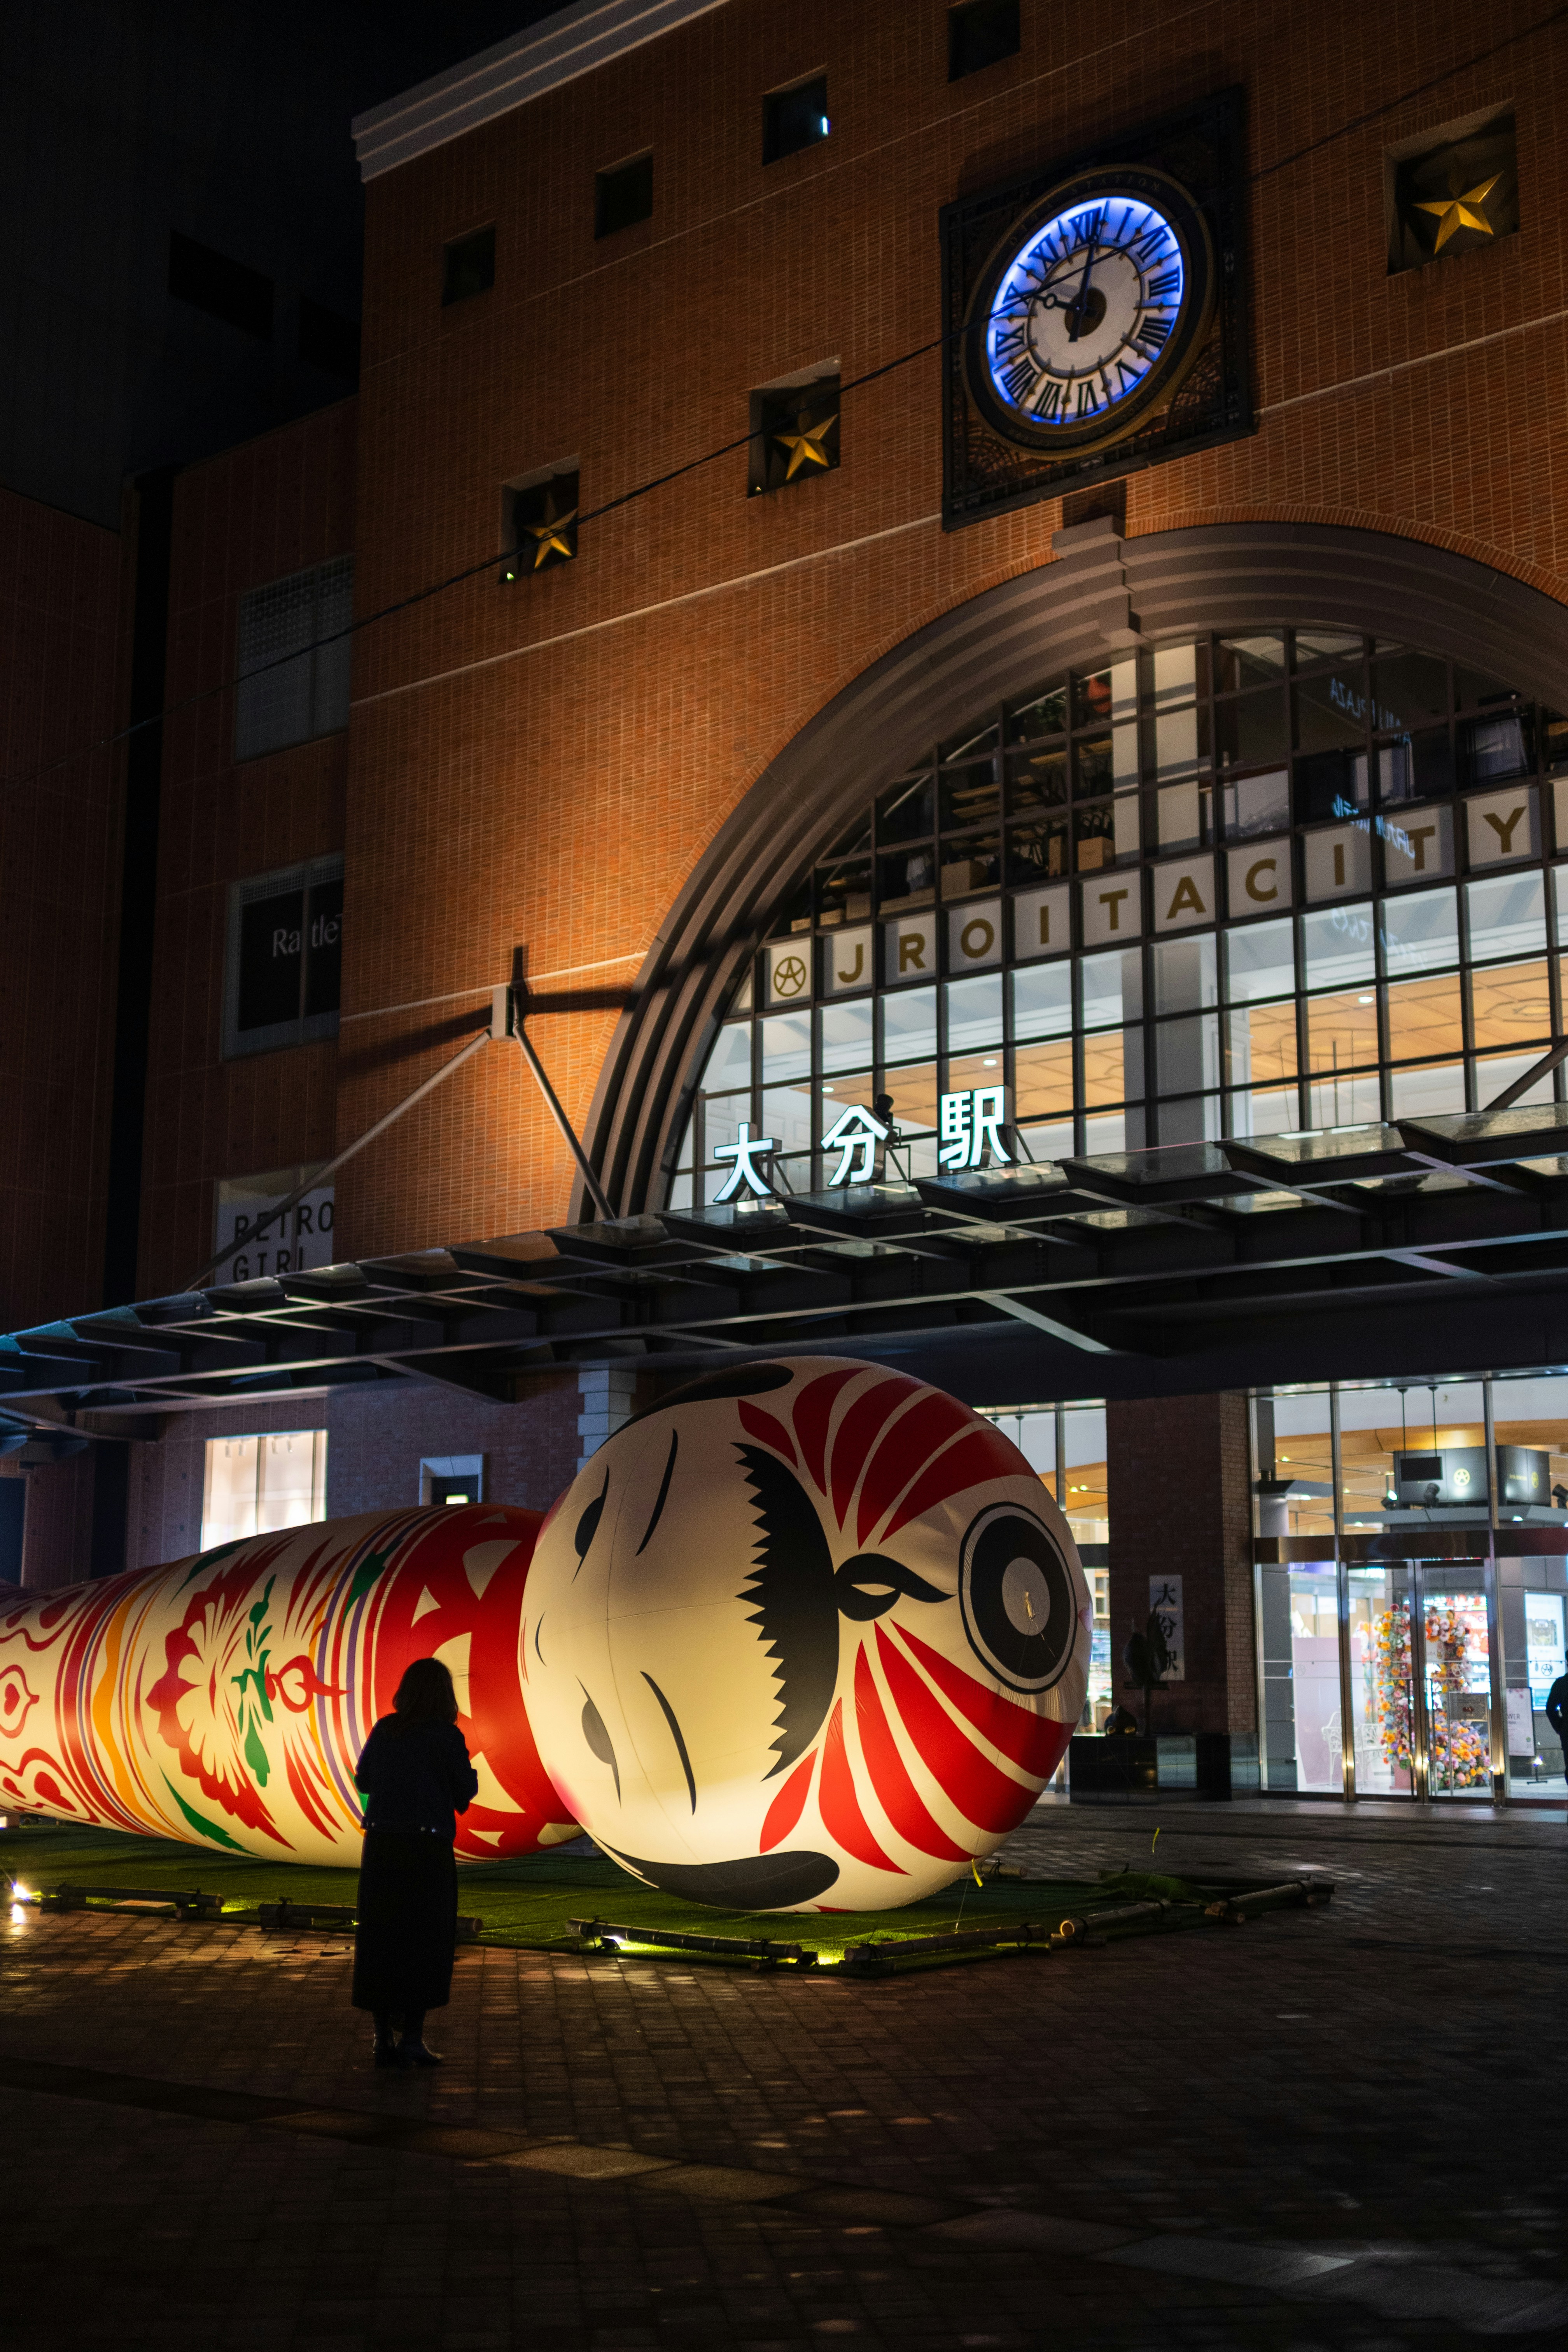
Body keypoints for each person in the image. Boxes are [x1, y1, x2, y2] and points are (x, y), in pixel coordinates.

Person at [352, 1657, 479, 2067]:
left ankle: (380, 2038)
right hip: (427, 1851)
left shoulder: (385, 1730)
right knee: (425, 1941)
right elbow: (464, 1791)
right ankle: (413, 2039)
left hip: (382, 1848)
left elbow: (363, 1779)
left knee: (382, 1941)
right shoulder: (445, 1736)